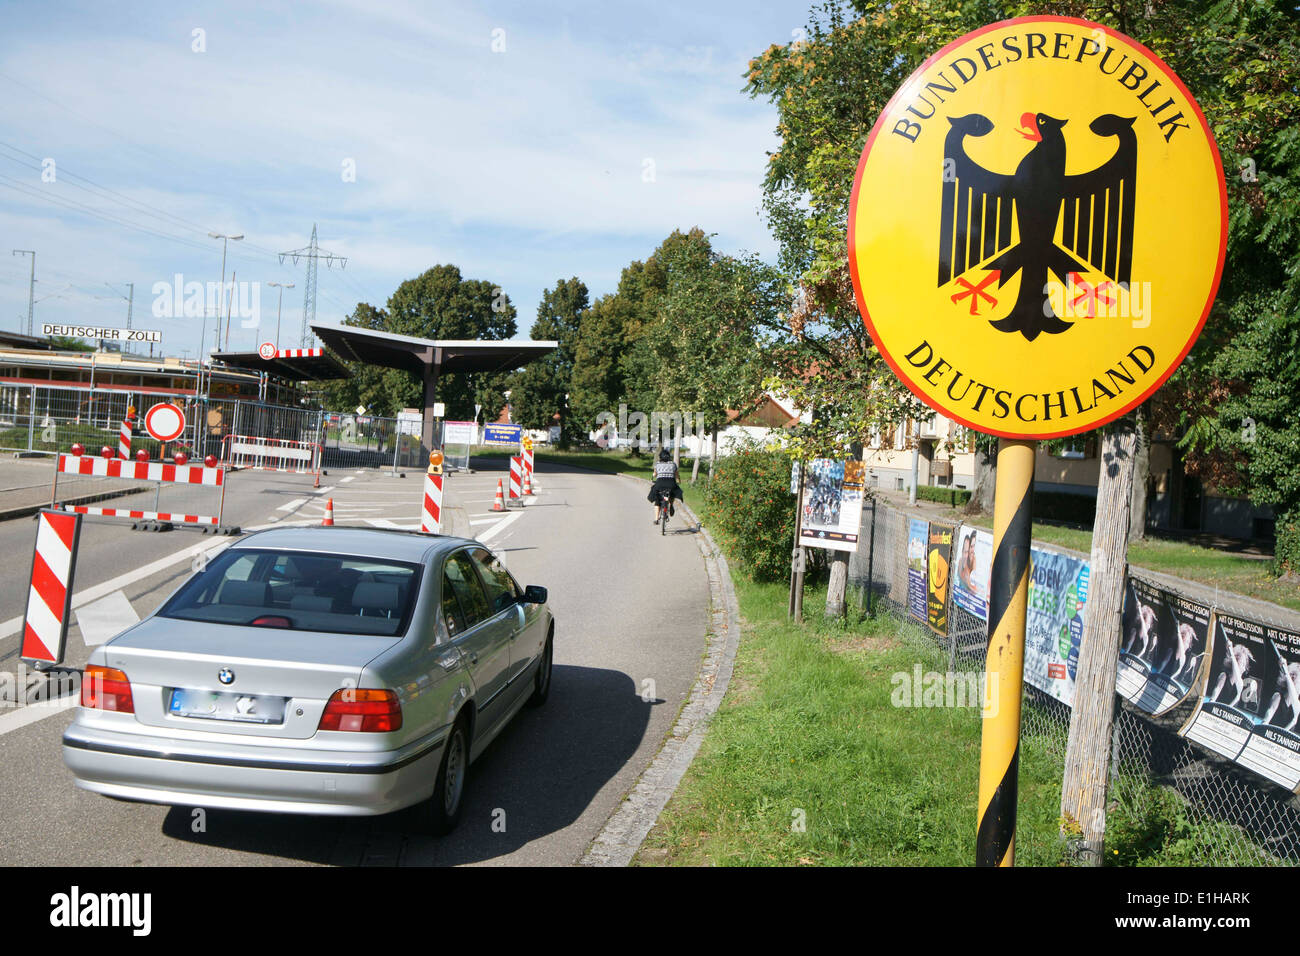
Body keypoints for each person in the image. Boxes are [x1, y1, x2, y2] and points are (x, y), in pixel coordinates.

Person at [647, 448, 683, 521]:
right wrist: (679, 481)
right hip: (671, 483)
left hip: (660, 483)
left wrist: (652, 477)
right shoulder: (673, 464)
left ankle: (656, 519)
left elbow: (655, 474)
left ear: (660, 457)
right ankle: (671, 504)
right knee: (673, 492)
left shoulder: (657, 464)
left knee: (657, 499)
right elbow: (676, 475)